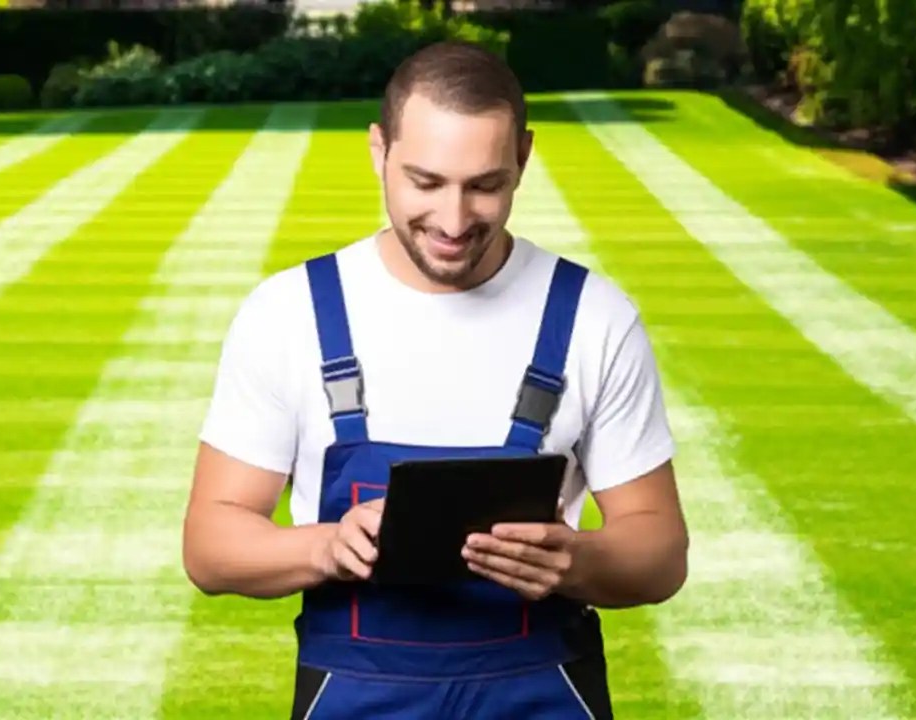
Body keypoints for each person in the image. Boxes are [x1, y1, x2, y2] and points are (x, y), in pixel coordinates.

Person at [181, 39, 689, 719]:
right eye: (426, 182)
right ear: (378, 151)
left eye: (485, 186)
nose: (453, 222)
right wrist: (327, 546)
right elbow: (210, 547)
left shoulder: (593, 318)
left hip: (541, 693)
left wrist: (577, 562)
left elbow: (660, 553)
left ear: (524, 159)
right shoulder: (290, 314)